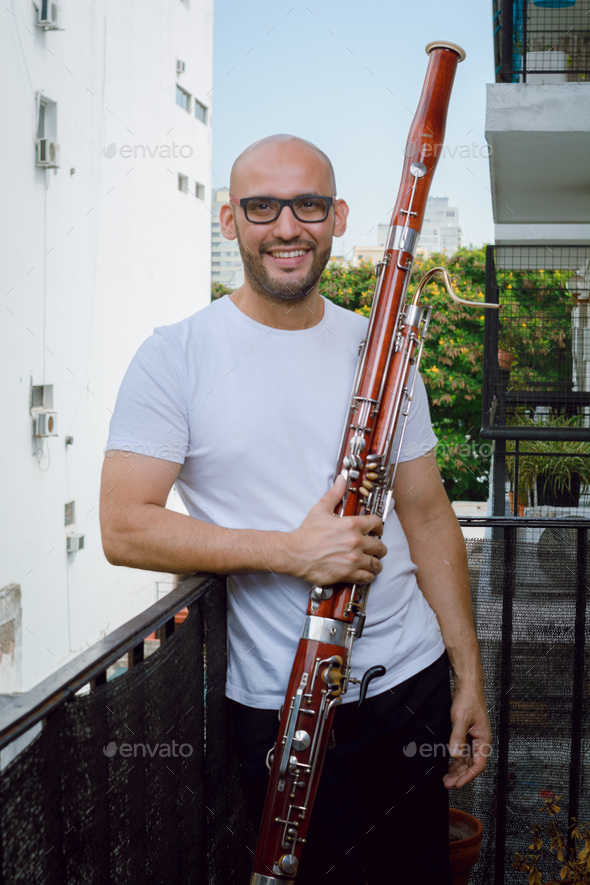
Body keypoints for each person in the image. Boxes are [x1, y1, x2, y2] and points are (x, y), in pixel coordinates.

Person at [100, 134, 491, 884]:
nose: (287, 226)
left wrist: (467, 673)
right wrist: (291, 551)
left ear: (337, 216)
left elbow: (430, 514)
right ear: (229, 221)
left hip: (412, 686)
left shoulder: (379, 349)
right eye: (262, 206)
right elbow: (124, 524)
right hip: (287, 707)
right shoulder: (176, 355)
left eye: (308, 204)